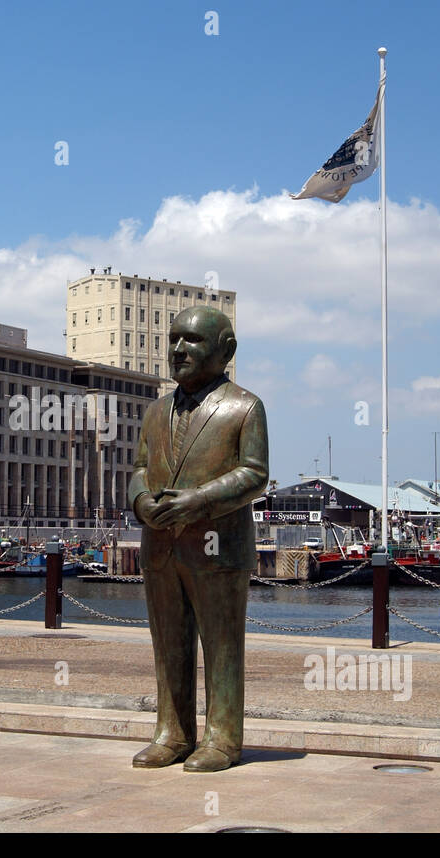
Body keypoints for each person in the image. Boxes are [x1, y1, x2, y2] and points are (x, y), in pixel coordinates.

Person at [127, 307, 269, 772]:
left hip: (218, 547)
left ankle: (223, 739)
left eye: (192, 340)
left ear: (225, 350)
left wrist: (198, 501)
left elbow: (254, 475)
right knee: (168, 643)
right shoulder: (154, 410)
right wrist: (140, 502)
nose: (178, 349)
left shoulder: (244, 407)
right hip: (161, 546)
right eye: (173, 339)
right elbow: (139, 470)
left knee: (222, 645)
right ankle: (172, 732)